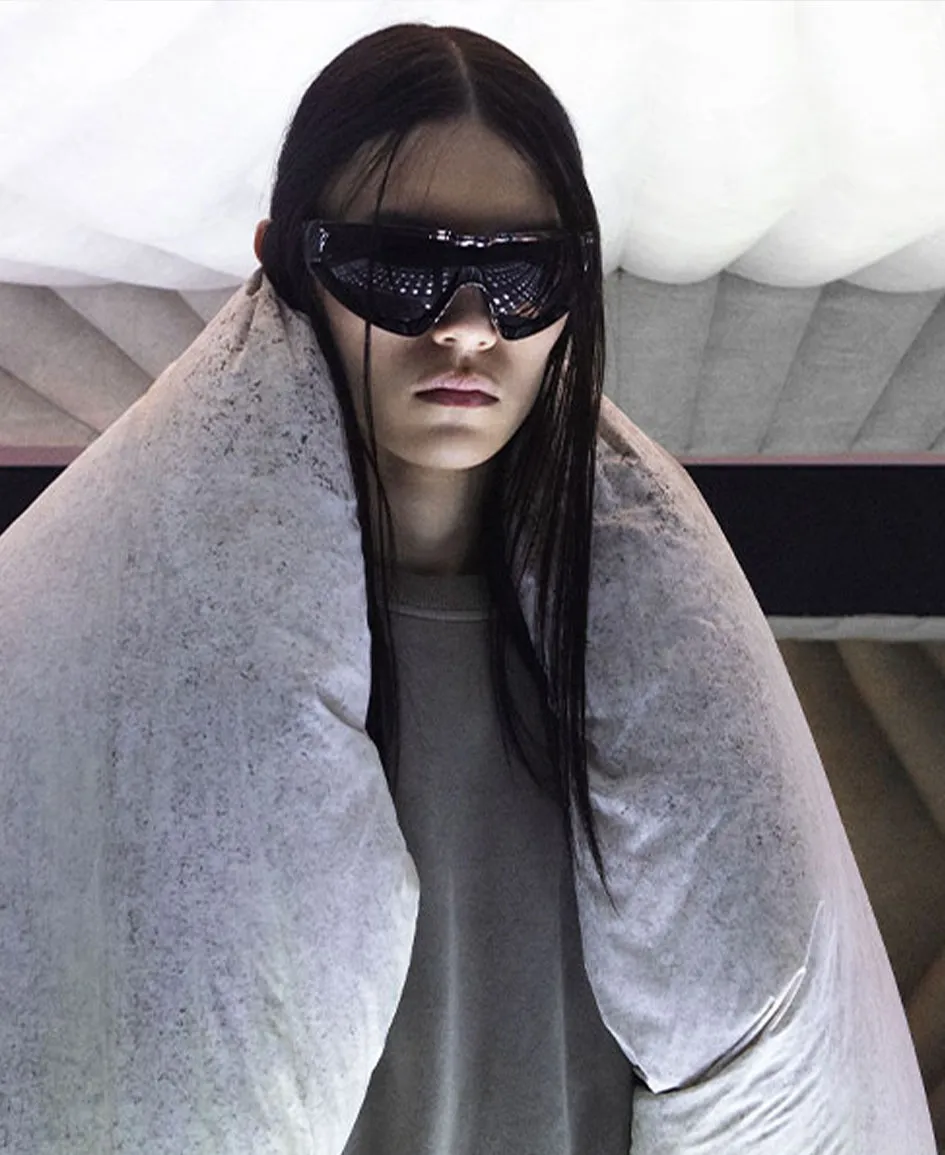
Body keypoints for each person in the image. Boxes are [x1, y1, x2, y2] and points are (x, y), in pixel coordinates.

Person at [0, 20, 936, 1155]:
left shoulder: (661, 680)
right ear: (283, 263)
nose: (465, 325)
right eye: (400, 266)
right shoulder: (135, 661)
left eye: (522, 275)